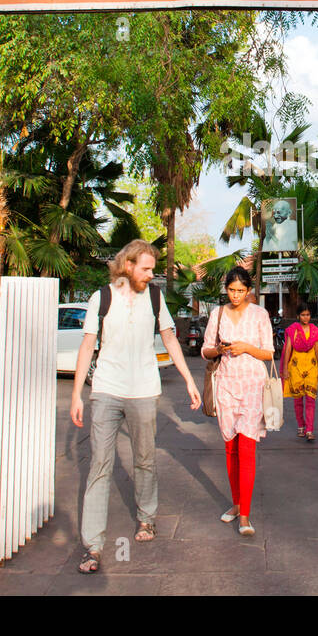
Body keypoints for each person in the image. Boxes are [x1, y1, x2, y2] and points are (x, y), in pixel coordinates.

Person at [70, 240, 201, 574]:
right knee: (100, 465)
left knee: (144, 459)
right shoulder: (102, 298)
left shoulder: (155, 298)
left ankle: (147, 518)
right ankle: (93, 546)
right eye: (146, 268)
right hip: (106, 390)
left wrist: (188, 378)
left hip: (144, 390)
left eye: (152, 268)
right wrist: (75, 395)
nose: (151, 274)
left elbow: (170, 338)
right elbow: (87, 347)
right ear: (127, 265)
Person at [201, 266, 275, 537]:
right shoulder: (217, 314)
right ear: (226, 289)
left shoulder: (260, 314)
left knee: (247, 448)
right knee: (230, 447)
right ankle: (236, 503)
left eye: (241, 291)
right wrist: (219, 349)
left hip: (253, 387)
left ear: (249, 290)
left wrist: (246, 348)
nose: (235, 295)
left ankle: (245, 515)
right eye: (232, 290)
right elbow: (205, 350)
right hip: (226, 386)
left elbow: (268, 353)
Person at [279, 302, 318, 442]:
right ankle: (301, 426)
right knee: (298, 399)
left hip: (311, 366)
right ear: (298, 316)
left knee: (311, 398)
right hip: (296, 366)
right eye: (303, 315)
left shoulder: (315, 330)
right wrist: (285, 368)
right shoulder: (293, 330)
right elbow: (288, 350)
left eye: (308, 314)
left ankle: (309, 429)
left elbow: (317, 350)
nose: (305, 317)